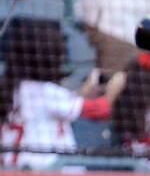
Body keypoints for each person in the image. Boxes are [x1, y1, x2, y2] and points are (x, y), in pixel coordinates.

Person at [0, 16, 116, 168]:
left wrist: (86, 90)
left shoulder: (12, 89)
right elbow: (100, 111)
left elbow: (58, 108)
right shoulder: (45, 92)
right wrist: (116, 87)